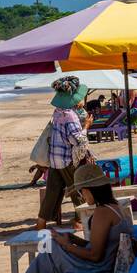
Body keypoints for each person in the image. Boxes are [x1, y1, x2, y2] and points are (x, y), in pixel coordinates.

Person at [20, 164, 132, 273]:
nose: (81, 195)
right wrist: (74, 239)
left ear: (89, 189)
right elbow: (99, 246)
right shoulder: (116, 208)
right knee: (53, 246)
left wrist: (66, 245)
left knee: (50, 250)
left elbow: (95, 256)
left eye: (81, 191)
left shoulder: (103, 212)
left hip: (98, 270)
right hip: (105, 265)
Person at [36, 76, 92, 231]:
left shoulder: (57, 112)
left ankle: (40, 223)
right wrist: (86, 126)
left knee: (52, 192)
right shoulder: (70, 116)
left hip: (54, 159)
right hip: (67, 160)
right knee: (77, 189)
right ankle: (80, 221)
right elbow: (76, 140)